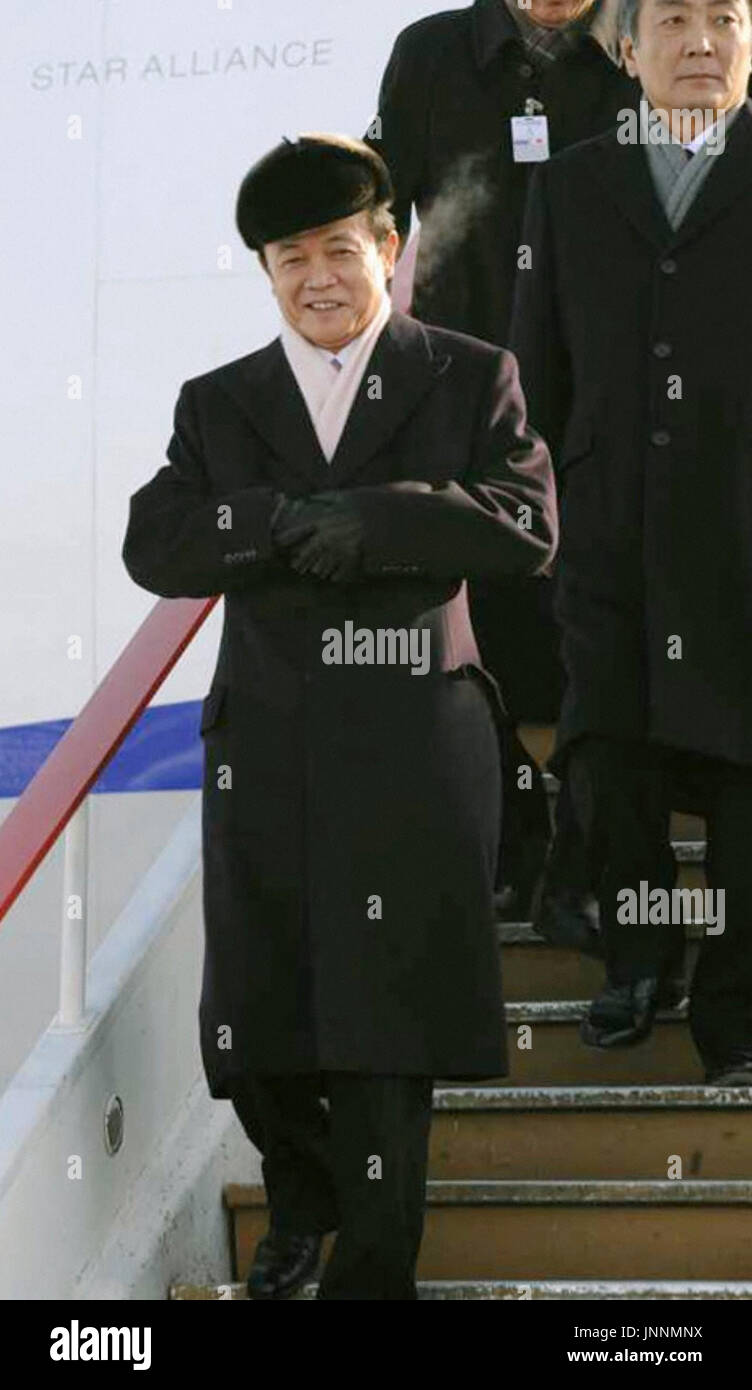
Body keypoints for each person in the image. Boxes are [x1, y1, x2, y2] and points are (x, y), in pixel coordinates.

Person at [122, 134, 557, 1299]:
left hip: (416, 746)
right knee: (252, 1029)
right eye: (288, 257)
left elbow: (526, 520)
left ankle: (372, 1272)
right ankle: (304, 1197)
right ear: (264, 271)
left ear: (389, 246)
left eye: (339, 249)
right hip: (263, 753)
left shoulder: (468, 374)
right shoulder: (217, 405)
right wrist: (265, 522)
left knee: (385, 1030)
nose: (318, 276)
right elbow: (154, 543)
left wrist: (383, 517)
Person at [509, 0, 752, 1077]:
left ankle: (735, 1011)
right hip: (606, 523)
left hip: (742, 530)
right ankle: (634, 959)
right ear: (625, 50)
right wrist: (542, 493)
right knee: (604, 756)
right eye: (672, 20)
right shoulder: (567, 182)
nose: (699, 41)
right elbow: (534, 360)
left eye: (725, 19)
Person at [364, 0, 640, 934]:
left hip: (615, 400)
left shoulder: (648, 42)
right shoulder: (431, 53)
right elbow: (375, 215)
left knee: (603, 634)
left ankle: (585, 862)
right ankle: (516, 832)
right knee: (481, 640)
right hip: (467, 397)